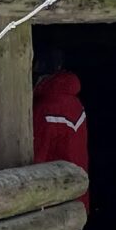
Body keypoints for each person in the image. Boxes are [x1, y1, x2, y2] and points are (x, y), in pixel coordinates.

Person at [31, 52, 89, 208]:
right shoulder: (75, 103)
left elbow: (38, 155)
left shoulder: (45, 108)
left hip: (55, 193)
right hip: (77, 186)